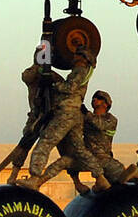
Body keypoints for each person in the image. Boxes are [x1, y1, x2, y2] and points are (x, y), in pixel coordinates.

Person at [16, 46, 110, 192]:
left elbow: (69, 88)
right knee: (80, 149)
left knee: (45, 143)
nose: (73, 58)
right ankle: (100, 178)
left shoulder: (80, 71)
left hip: (66, 114)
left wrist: (53, 84)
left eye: (77, 55)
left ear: (83, 58)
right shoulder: (81, 72)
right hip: (74, 114)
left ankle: (34, 178)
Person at [6, 45, 64, 185]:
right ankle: (14, 173)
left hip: (52, 115)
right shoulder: (31, 72)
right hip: (36, 115)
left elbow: (62, 85)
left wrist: (49, 74)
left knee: (61, 148)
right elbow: (27, 77)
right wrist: (40, 69)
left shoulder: (53, 75)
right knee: (25, 143)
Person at [71, 90, 135, 187]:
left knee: (123, 179)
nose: (94, 99)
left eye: (99, 98)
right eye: (94, 97)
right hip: (87, 157)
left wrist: (86, 113)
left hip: (104, 159)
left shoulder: (111, 119)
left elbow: (100, 125)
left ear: (106, 104)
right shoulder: (86, 118)